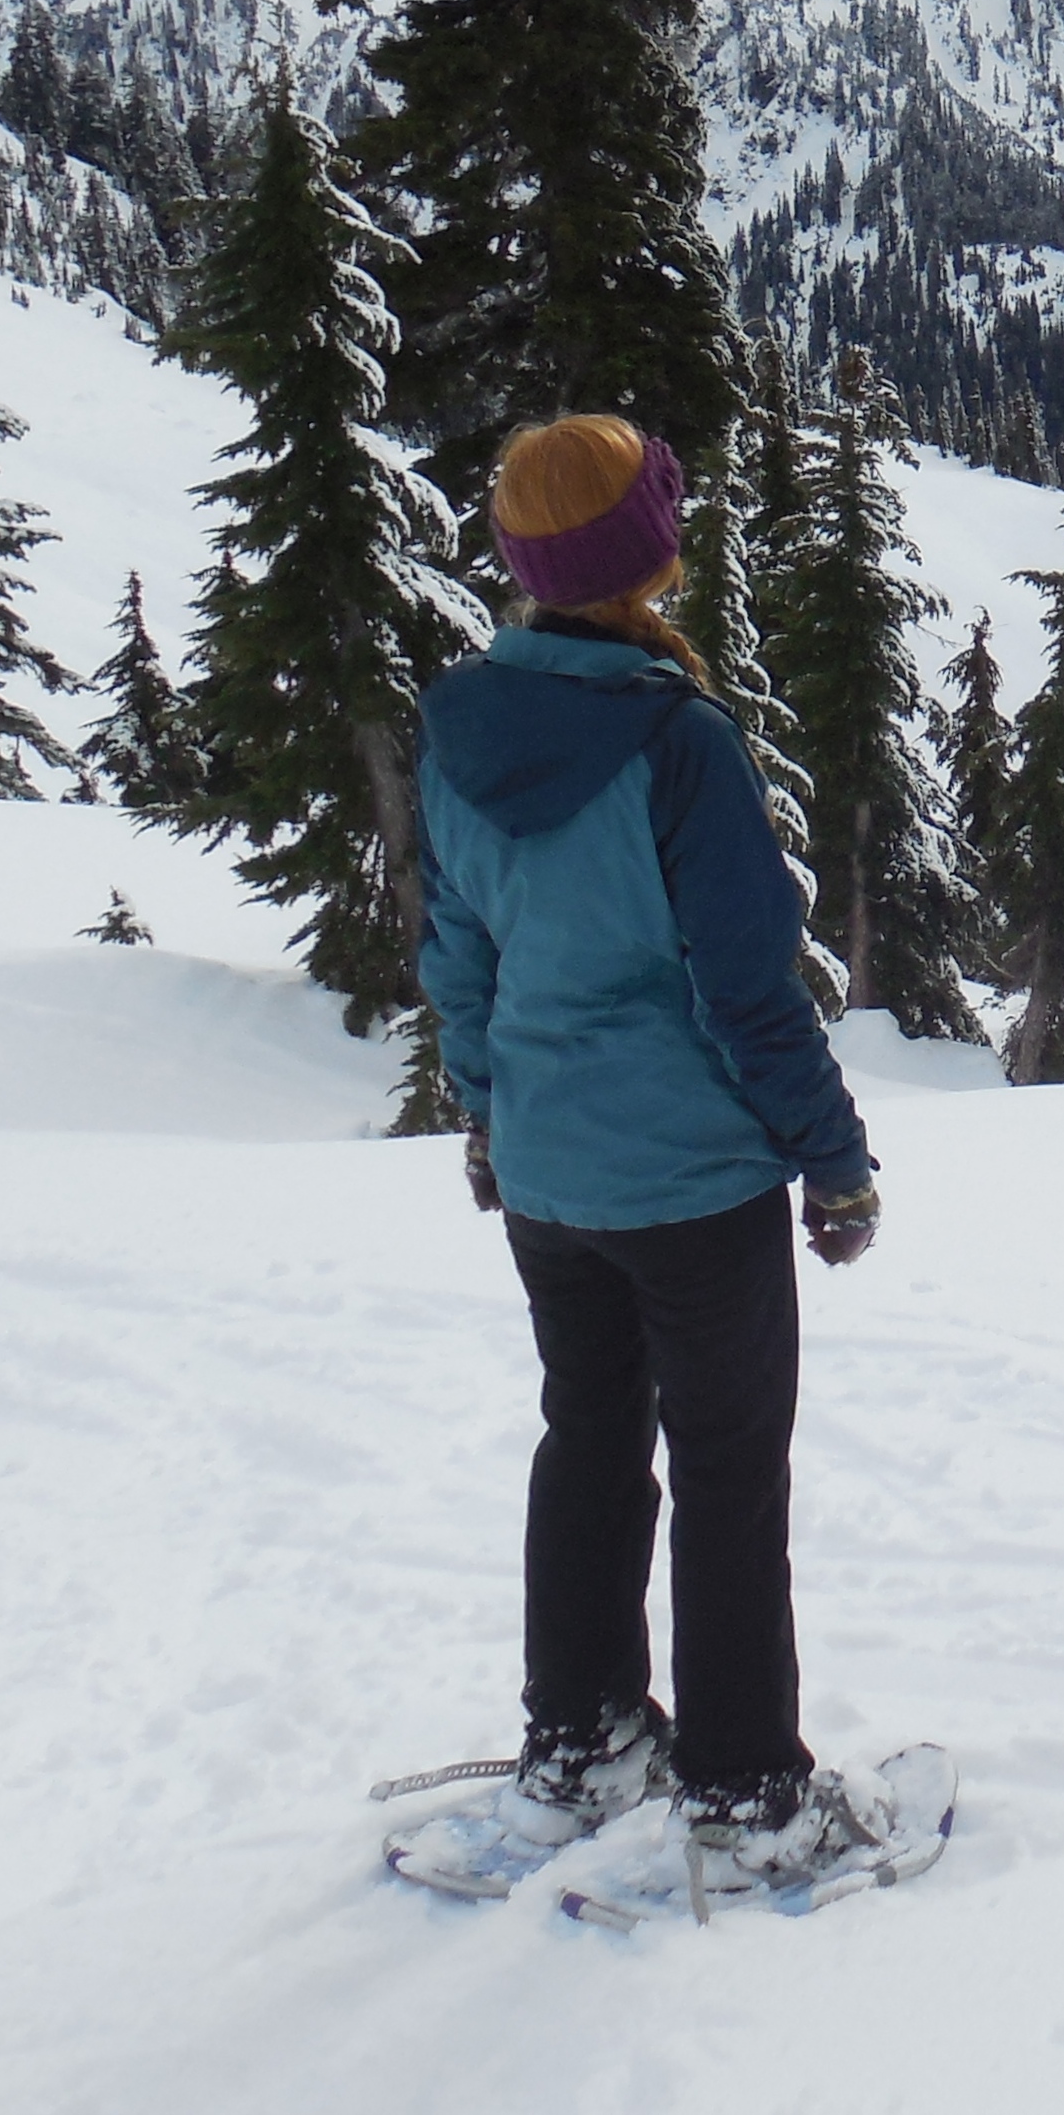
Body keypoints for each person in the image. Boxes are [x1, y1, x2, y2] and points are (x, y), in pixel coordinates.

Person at [396, 410, 887, 1900]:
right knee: (728, 1471)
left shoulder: (461, 723)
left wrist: (489, 1112)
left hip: (549, 1176)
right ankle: (746, 1795)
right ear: (650, 553)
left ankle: (583, 1742)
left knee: (590, 1444)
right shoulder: (677, 742)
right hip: (691, 1183)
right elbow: (745, 989)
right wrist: (833, 1158)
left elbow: (459, 956)